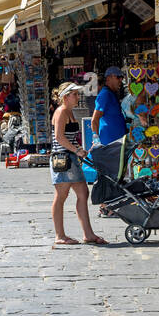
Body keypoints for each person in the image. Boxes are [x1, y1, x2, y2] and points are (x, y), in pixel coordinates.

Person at [51, 82, 105, 246]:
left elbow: (70, 137)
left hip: (71, 157)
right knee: (61, 196)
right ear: (65, 96)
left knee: (83, 193)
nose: (78, 97)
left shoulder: (69, 112)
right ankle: (60, 235)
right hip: (63, 159)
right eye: (74, 94)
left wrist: (80, 149)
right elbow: (60, 137)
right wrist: (76, 150)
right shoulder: (61, 112)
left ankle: (88, 233)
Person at [91, 66, 129, 146]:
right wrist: (96, 139)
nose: (121, 80)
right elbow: (95, 119)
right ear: (109, 77)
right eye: (118, 77)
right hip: (109, 144)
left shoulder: (111, 93)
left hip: (117, 142)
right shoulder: (105, 94)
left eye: (122, 77)